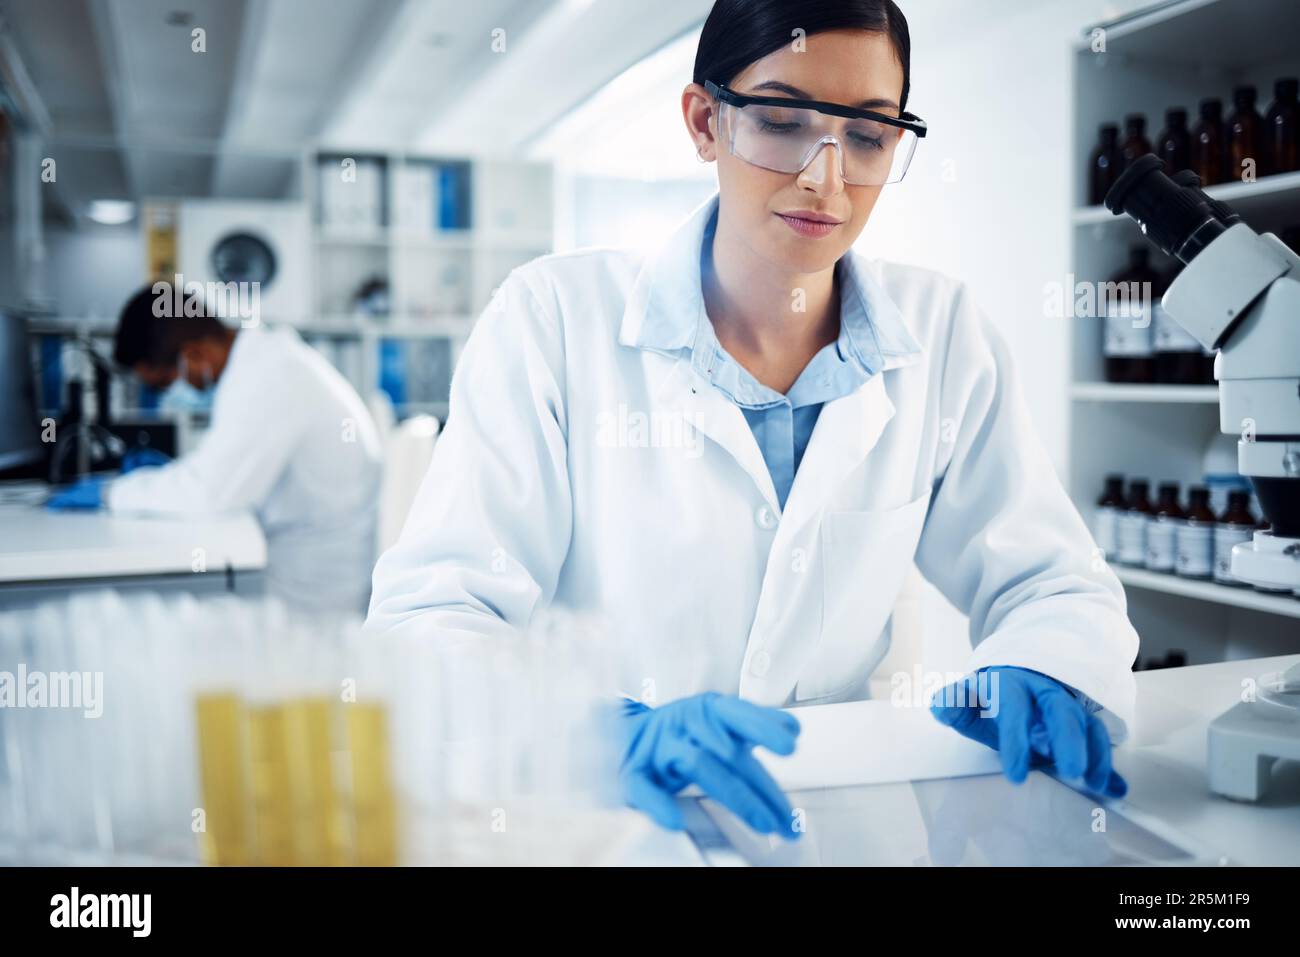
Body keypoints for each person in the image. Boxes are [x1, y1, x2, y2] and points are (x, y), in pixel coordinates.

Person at [366, 0, 1139, 836]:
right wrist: (588, 732)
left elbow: (1051, 580)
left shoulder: (942, 332)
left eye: (870, 137)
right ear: (705, 121)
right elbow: (431, 621)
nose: (826, 177)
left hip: (838, 825)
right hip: (605, 828)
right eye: (780, 121)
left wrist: (1048, 662)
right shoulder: (552, 321)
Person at [48, 287, 383, 615]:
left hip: (313, 592)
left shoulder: (269, 377)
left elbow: (210, 493)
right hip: (298, 559)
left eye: (163, 384)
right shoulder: (262, 361)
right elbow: (219, 471)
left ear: (194, 354)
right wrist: (166, 476)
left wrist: (112, 493)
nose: (166, 396)